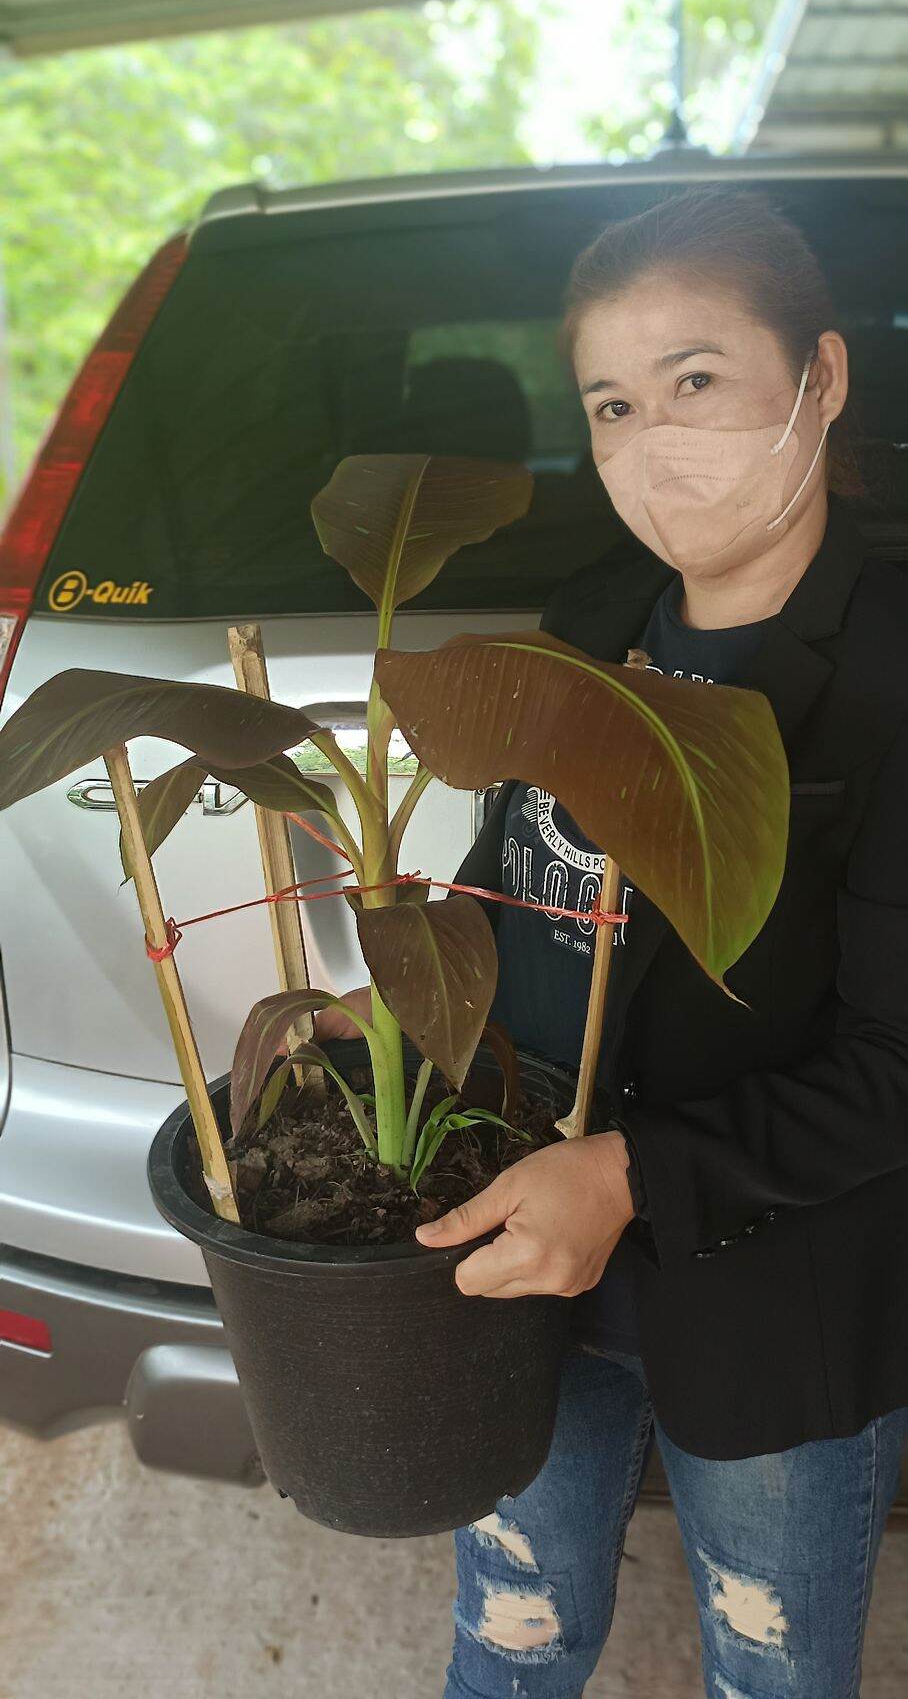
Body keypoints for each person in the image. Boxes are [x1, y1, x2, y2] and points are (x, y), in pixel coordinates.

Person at [315, 185, 908, 1698]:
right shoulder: (586, 628)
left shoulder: (889, 675)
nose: (657, 444)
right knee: (512, 1639)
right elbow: (516, 883)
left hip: (772, 1297)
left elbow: (896, 1070)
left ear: (820, 381)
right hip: (528, 1272)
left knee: (771, 1668)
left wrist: (633, 1173)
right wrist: (395, 1007)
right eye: (614, 404)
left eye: (699, 381)